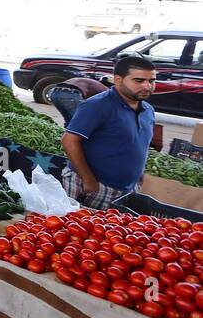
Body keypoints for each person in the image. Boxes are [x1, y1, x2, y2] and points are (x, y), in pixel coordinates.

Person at [61, 55, 156, 210]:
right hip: (95, 187)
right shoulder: (98, 106)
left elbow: (139, 145)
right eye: (138, 81)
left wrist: (138, 176)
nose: (147, 86)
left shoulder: (148, 110)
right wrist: (89, 180)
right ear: (118, 80)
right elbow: (69, 141)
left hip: (126, 190)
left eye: (151, 81)